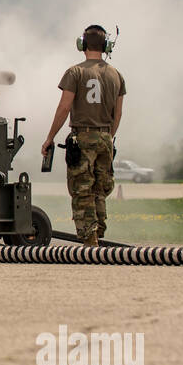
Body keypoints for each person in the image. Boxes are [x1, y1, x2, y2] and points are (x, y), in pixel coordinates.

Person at [41, 24, 125, 246]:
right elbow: (118, 114)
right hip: (106, 138)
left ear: (82, 45)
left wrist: (50, 137)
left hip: (82, 137)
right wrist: (108, 136)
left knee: (82, 188)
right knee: (100, 188)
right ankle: (99, 232)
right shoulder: (116, 75)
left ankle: (90, 239)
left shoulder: (75, 72)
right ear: (106, 46)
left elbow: (64, 107)